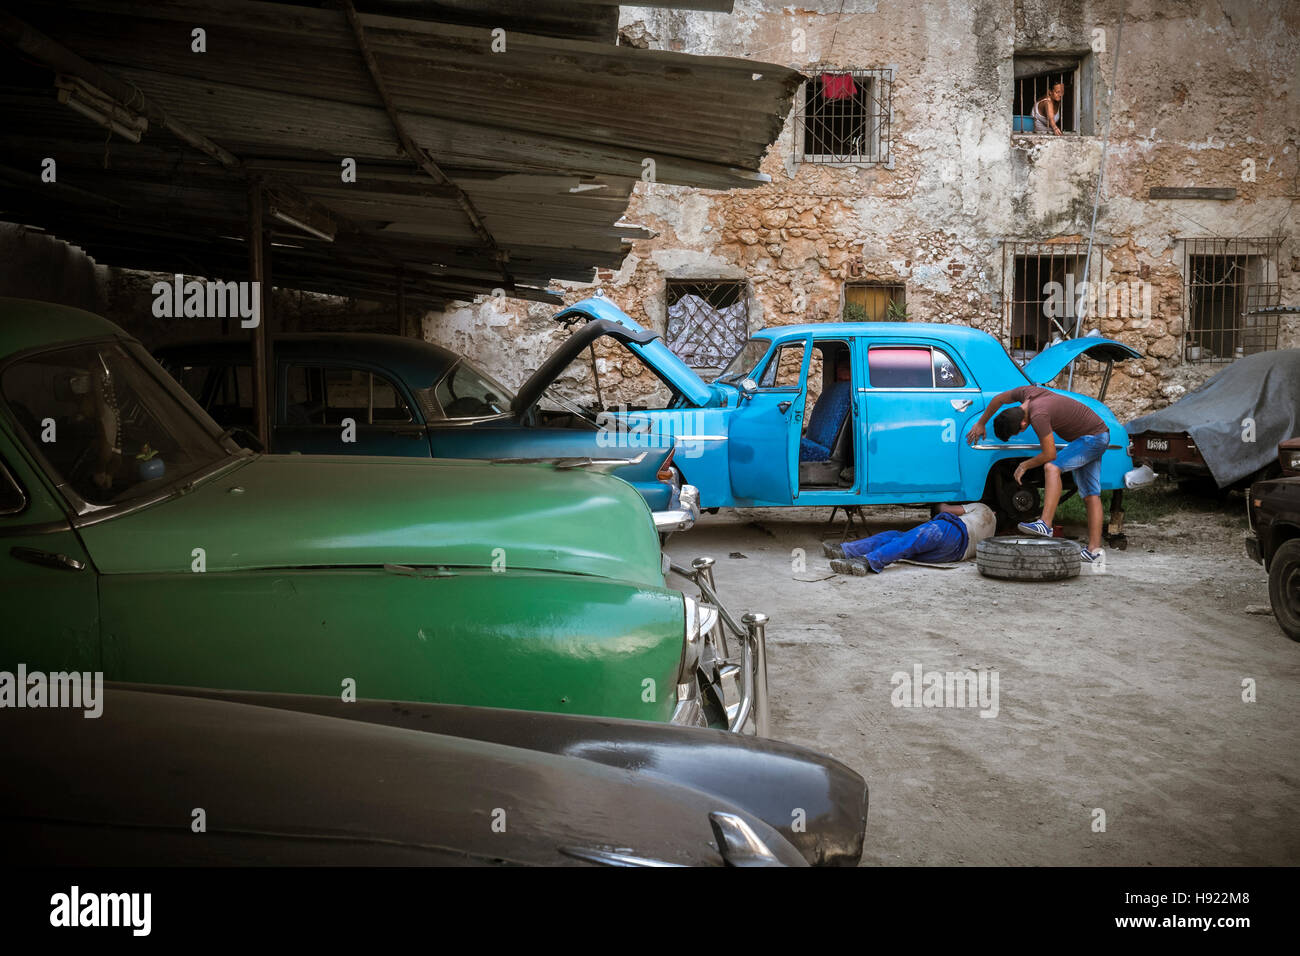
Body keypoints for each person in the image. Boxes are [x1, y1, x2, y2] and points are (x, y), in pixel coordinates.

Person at [965, 386, 1109, 563]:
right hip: (1096, 434)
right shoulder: (1026, 393)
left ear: (1023, 424)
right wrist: (981, 423)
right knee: (1090, 495)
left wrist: (1024, 465)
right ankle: (1094, 551)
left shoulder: (1038, 416)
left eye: (1019, 431)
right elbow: (998, 399)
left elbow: (1050, 454)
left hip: (1091, 439)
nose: (1023, 431)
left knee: (1052, 467)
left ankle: (1045, 524)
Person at [824, 502, 997, 575]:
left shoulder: (983, 508)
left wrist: (937, 500)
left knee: (901, 539)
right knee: (902, 543)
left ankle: (864, 559)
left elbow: (945, 509)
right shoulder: (992, 534)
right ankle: (848, 551)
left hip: (952, 531)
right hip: (952, 555)